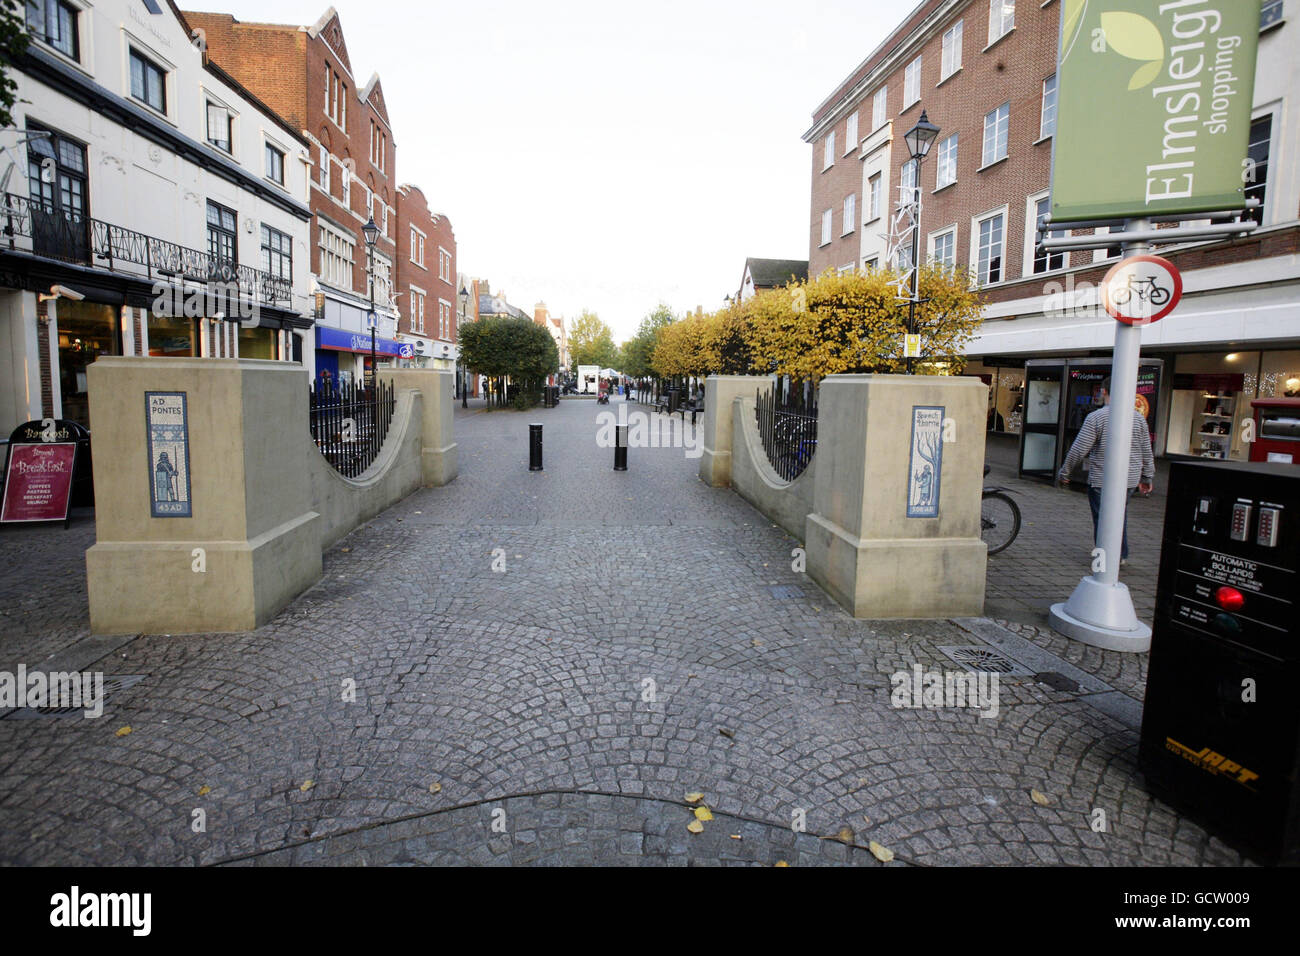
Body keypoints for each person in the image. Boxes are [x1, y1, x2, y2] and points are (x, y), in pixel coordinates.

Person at [1057, 377, 1154, 566]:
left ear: (1104, 392)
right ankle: (1121, 554)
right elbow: (1146, 450)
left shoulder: (1097, 417)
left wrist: (1065, 472)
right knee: (1119, 514)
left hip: (1103, 479)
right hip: (1130, 479)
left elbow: (1079, 448)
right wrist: (1147, 476)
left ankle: (1106, 557)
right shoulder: (1138, 418)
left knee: (1103, 519)